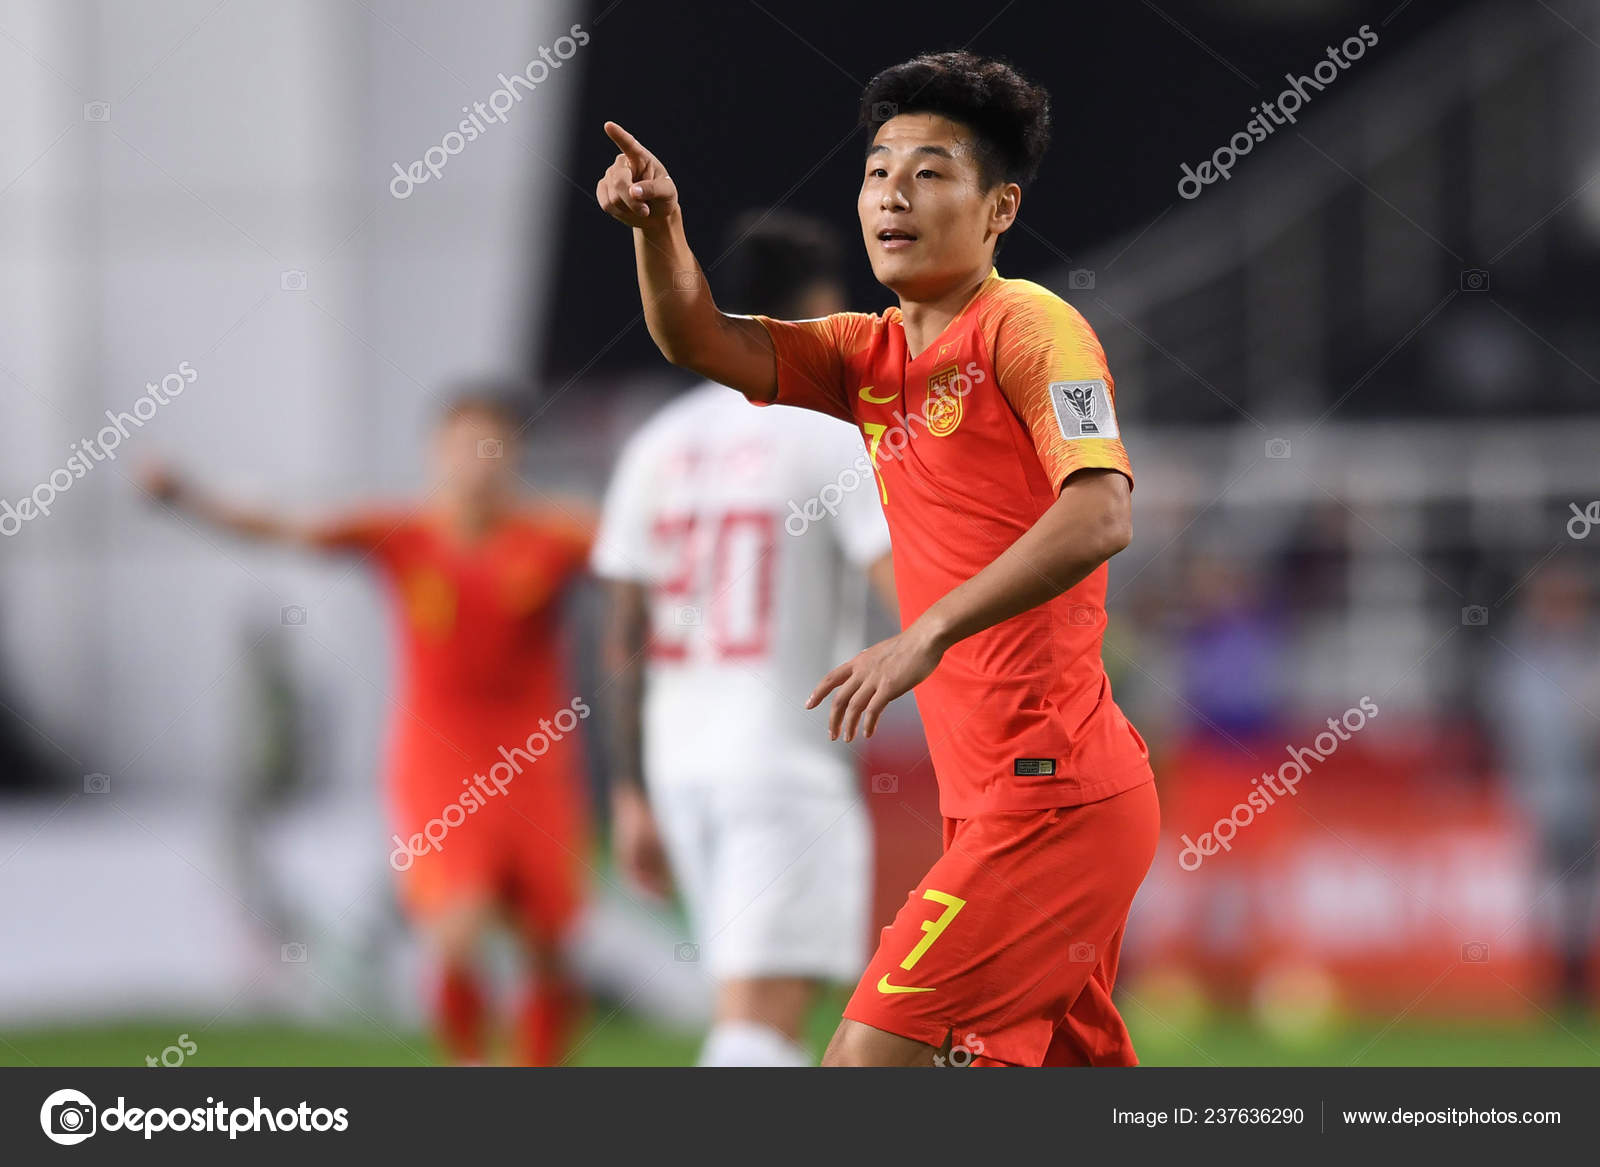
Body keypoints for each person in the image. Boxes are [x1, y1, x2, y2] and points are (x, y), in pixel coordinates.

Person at [595, 49, 1159, 1067]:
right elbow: (698, 338)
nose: (893, 194)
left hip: (1052, 797)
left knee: (863, 1062)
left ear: (999, 208)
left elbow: (1101, 514)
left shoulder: (1034, 327)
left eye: (930, 172)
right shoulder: (866, 353)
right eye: (877, 172)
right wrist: (658, 230)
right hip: (989, 798)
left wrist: (924, 632)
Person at [140, 391, 595, 1065]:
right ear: (435, 454)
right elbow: (284, 528)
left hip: (536, 761)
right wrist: (189, 499)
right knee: (458, 926)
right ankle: (470, 1064)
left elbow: (646, 545)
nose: (477, 462)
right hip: (440, 758)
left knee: (550, 945)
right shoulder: (401, 535)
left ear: (515, 455)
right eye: (463, 445)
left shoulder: (553, 536)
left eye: (493, 446)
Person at [593, 210, 897, 1066]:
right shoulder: (832, 432)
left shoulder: (658, 443)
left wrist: (630, 790)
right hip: (781, 766)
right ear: (821, 310)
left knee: (763, 1019)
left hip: (680, 767)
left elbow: (624, 637)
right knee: (757, 1026)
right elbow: (914, 592)